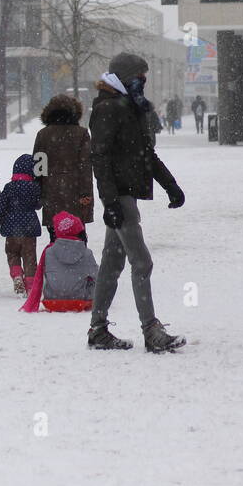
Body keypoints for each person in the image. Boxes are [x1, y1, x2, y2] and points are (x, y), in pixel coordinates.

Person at [87, 51, 186, 352]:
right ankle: (151, 330)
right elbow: (99, 158)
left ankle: (98, 330)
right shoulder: (108, 108)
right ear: (125, 78)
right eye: (139, 76)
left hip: (125, 193)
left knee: (112, 263)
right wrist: (110, 202)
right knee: (142, 262)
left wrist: (170, 185)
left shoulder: (131, 107)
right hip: (120, 196)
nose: (143, 80)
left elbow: (146, 155)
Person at [33, 94, 94, 241]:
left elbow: (38, 168)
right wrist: (85, 195)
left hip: (51, 194)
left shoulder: (43, 135)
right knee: (77, 236)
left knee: (55, 238)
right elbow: (85, 167)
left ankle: (56, 256)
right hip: (75, 195)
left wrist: (38, 193)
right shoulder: (81, 134)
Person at [21, 211, 98, 313]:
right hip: (79, 300)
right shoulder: (86, 253)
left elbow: (43, 276)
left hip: (52, 301)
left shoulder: (48, 252)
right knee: (92, 279)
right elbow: (98, 277)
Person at [0, 152, 42, 296]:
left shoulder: (9, 187)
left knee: (12, 253)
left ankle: (17, 276)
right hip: (29, 229)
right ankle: (30, 286)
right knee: (30, 257)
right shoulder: (35, 187)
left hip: (11, 228)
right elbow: (38, 205)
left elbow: (0, 208)